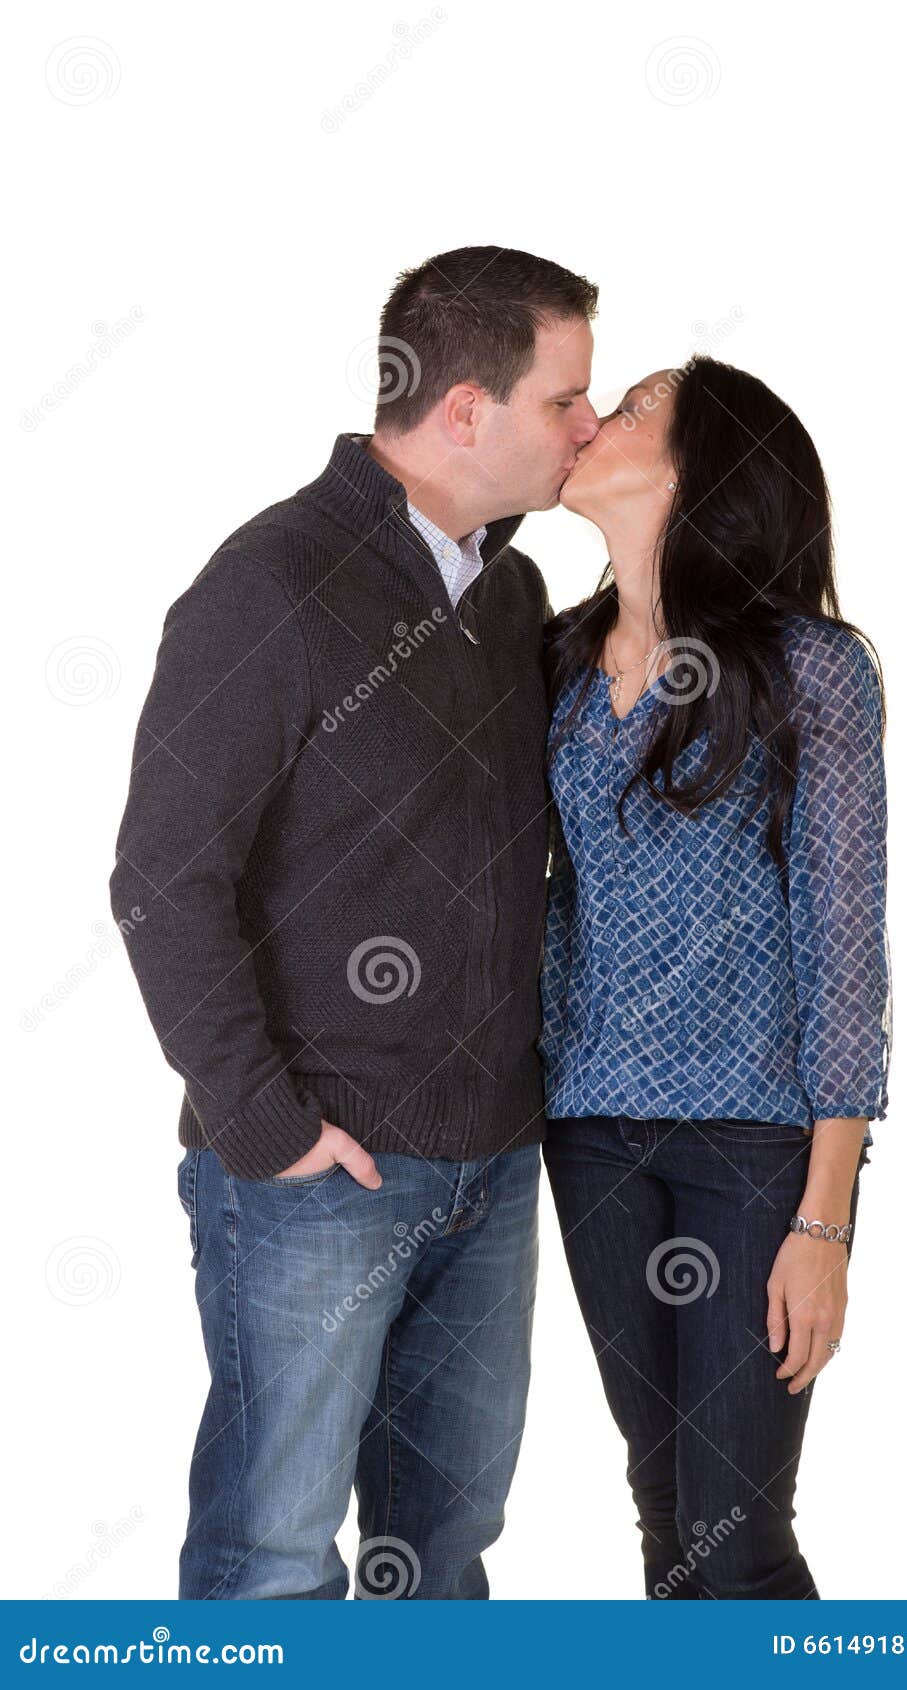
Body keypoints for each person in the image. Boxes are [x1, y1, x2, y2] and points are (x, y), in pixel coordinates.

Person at [108, 246, 599, 1599]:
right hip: (315, 1170)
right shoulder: (273, 583)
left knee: (440, 1557)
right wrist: (264, 1126)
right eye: (564, 398)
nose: (585, 425)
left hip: (491, 1166)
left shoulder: (509, 595)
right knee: (271, 1563)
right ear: (465, 410)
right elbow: (160, 878)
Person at [539, 355, 891, 1599]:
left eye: (634, 407)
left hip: (754, 1147)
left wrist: (823, 1219)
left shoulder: (808, 666)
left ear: (701, 470)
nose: (596, 418)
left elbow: (844, 943)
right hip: (588, 1134)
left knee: (735, 1534)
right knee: (664, 1511)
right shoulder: (557, 657)